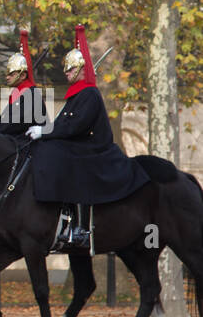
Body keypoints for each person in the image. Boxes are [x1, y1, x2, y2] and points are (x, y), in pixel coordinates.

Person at [29, 25, 148, 251]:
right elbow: (63, 124)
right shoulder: (77, 93)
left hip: (95, 148)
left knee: (67, 162)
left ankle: (80, 227)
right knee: (48, 150)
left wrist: (45, 132)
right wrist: (43, 132)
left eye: (70, 69)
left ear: (82, 70)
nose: (66, 73)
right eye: (66, 69)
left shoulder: (90, 94)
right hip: (80, 143)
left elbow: (76, 126)